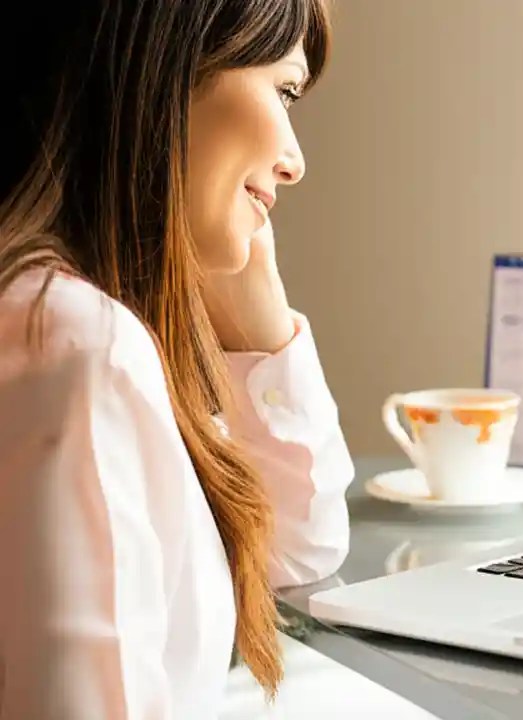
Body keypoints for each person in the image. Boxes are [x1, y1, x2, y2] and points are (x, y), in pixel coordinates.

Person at [0, 1, 353, 717]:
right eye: (284, 90)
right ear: (169, 70)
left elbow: (292, 556)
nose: (294, 160)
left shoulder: (64, 315)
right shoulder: (75, 342)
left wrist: (261, 325)